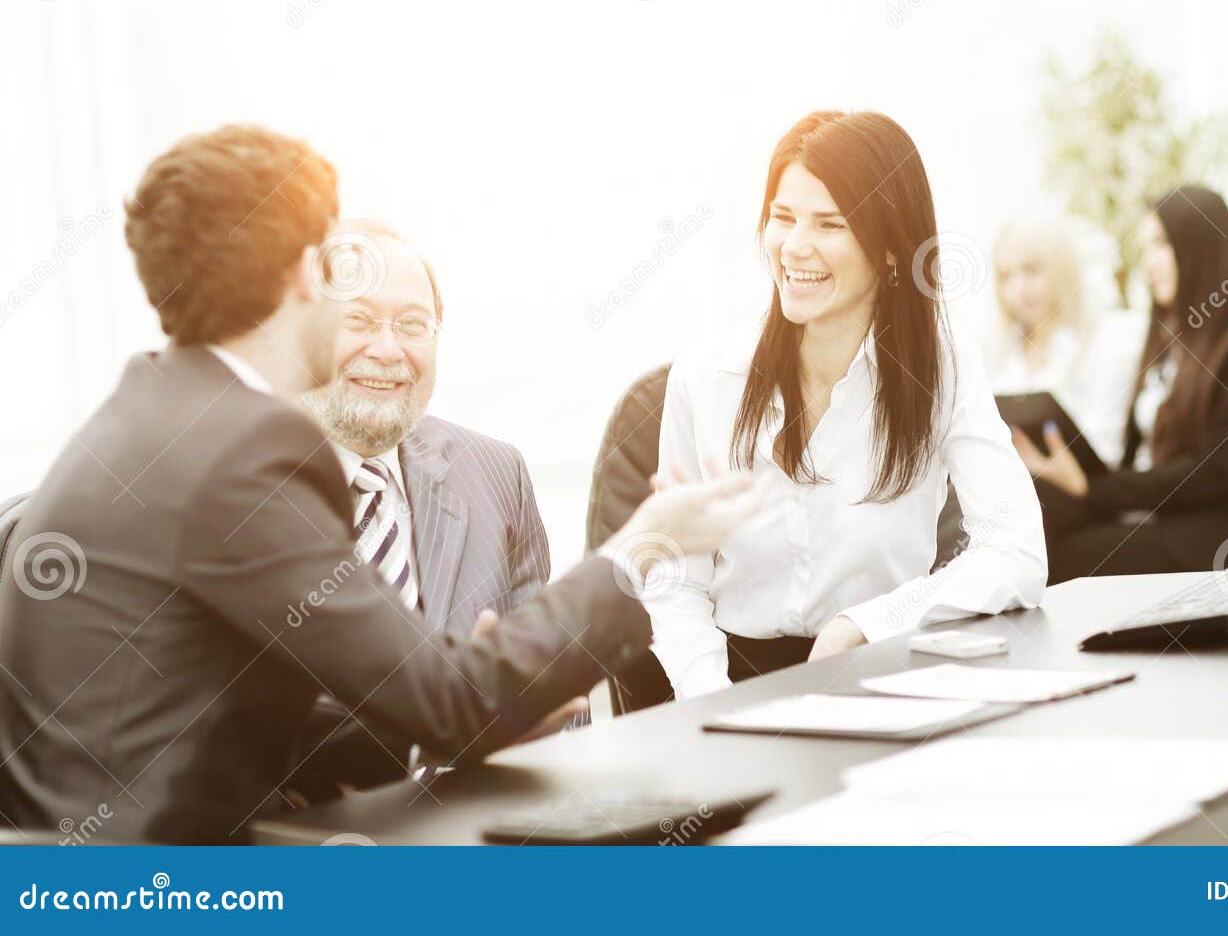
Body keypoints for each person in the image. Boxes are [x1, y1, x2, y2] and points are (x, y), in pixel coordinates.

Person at [0, 124, 763, 843]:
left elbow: (222, 701)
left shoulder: (152, 408)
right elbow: (452, 700)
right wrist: (644, 545)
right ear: (304, 274)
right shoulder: (239, 449)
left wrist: (476, 704)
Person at [643, 110, 1047, 700]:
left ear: (889, 250)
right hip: (733, 682)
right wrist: (708, 697)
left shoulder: (941, 365)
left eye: (830, 224)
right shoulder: (708, 378)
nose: (795, 246)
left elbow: (1015, 549)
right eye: (783, 218)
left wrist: (864, 625)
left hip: (881, 675)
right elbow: (675, 575)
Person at [290, 219, 561, 796]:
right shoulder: (233, 494)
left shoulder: (495, 472)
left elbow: (548, 700)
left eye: (413, 324)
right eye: (357, 320)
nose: (388, 349)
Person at [1012, 185, 1228, 584]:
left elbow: (1213, 474)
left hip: (1206, 539)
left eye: (1161, 245)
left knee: (1059, 554)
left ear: (1202, 247)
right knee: (1029, 510)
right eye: (1145, 248)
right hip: (1145, 519)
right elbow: (1139, 460)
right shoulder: (1169, 345)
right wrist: (1074, 478)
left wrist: (1095, 490)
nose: (1149, 262)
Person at [984, 212, 1140, 465]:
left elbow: (1105, 455)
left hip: (1072, 494)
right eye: (1006, 276)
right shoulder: (999, 352)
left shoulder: (1106, 341)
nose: (1018, 289)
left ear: (1062, 268)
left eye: (1031, 270)